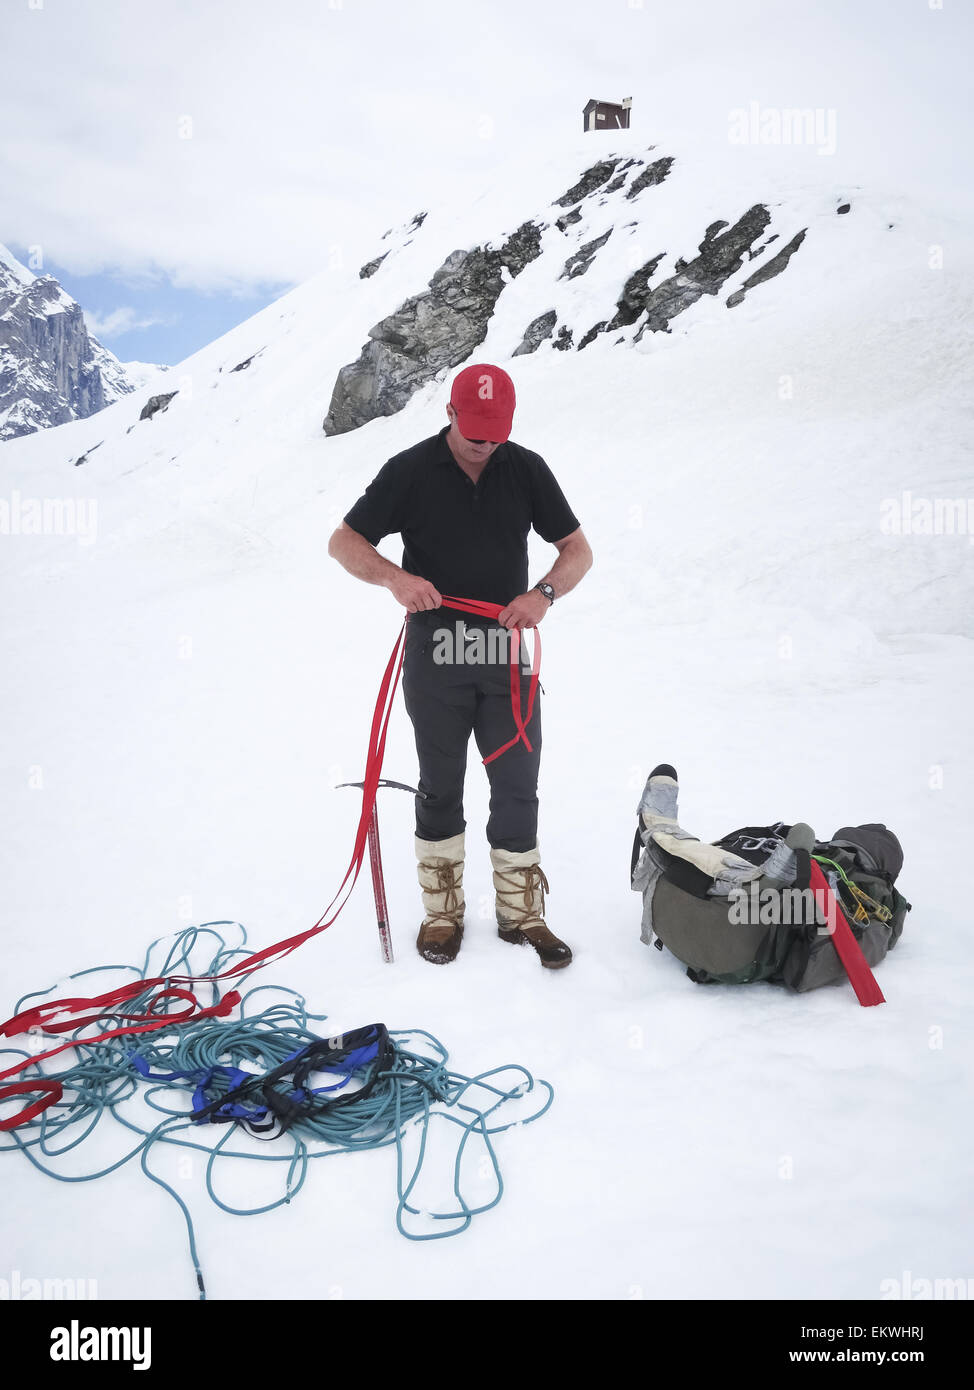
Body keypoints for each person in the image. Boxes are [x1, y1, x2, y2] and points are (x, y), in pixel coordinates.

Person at [328, 363, 592, 968]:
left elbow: (577, 551)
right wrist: (396, 579)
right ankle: (442, 914)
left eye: (495, 431)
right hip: (436, 653)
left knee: (518, 785)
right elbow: (344, 541)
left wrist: (542, 596)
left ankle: (521, 913)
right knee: (440, 785)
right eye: (474, 428)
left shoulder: (525, 468)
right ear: (449, 412)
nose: (484, 441)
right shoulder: (410, 470)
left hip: (504, 653)